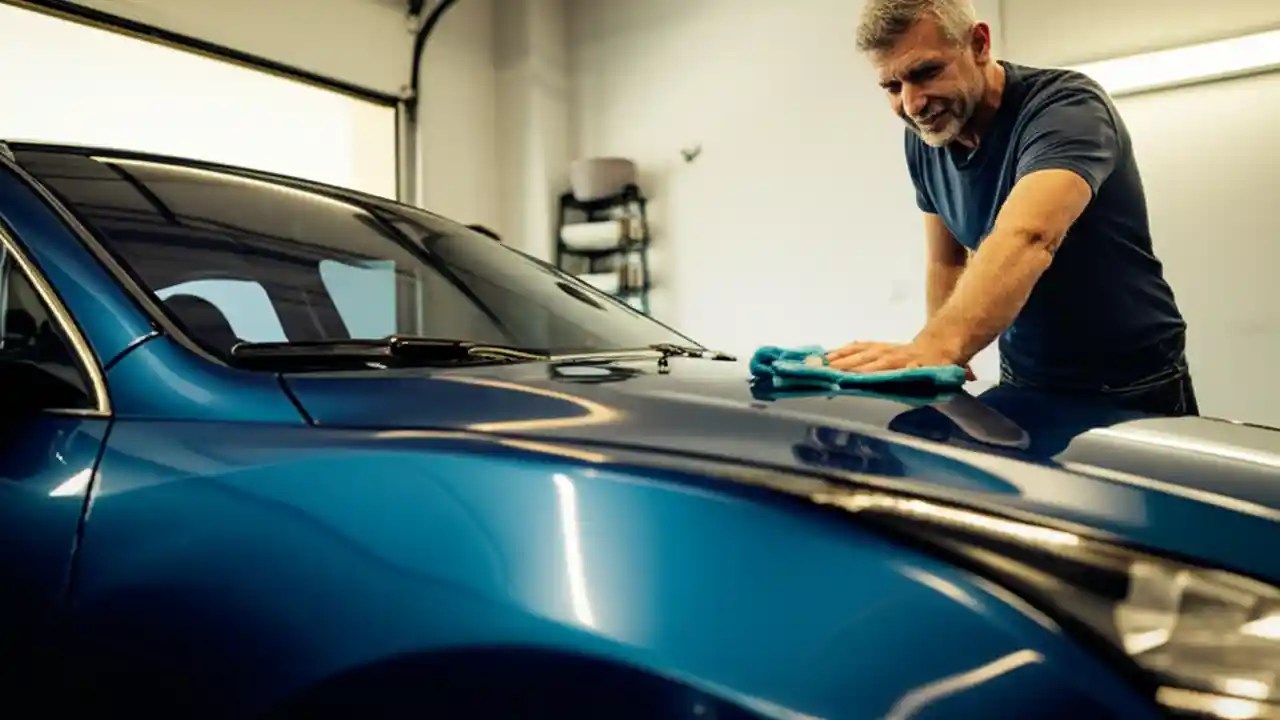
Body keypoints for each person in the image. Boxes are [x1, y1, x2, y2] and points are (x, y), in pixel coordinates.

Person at [826, 0, 1198, 416]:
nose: (912, 104)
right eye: (892, 87)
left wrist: (937, 346)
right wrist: (943, 361)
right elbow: (946, 260)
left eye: (926, 72)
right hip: (1026, 375)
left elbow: (1029, 236)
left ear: (979, 44)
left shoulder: (1068, 108)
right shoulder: (926, 137)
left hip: (1132, 379)